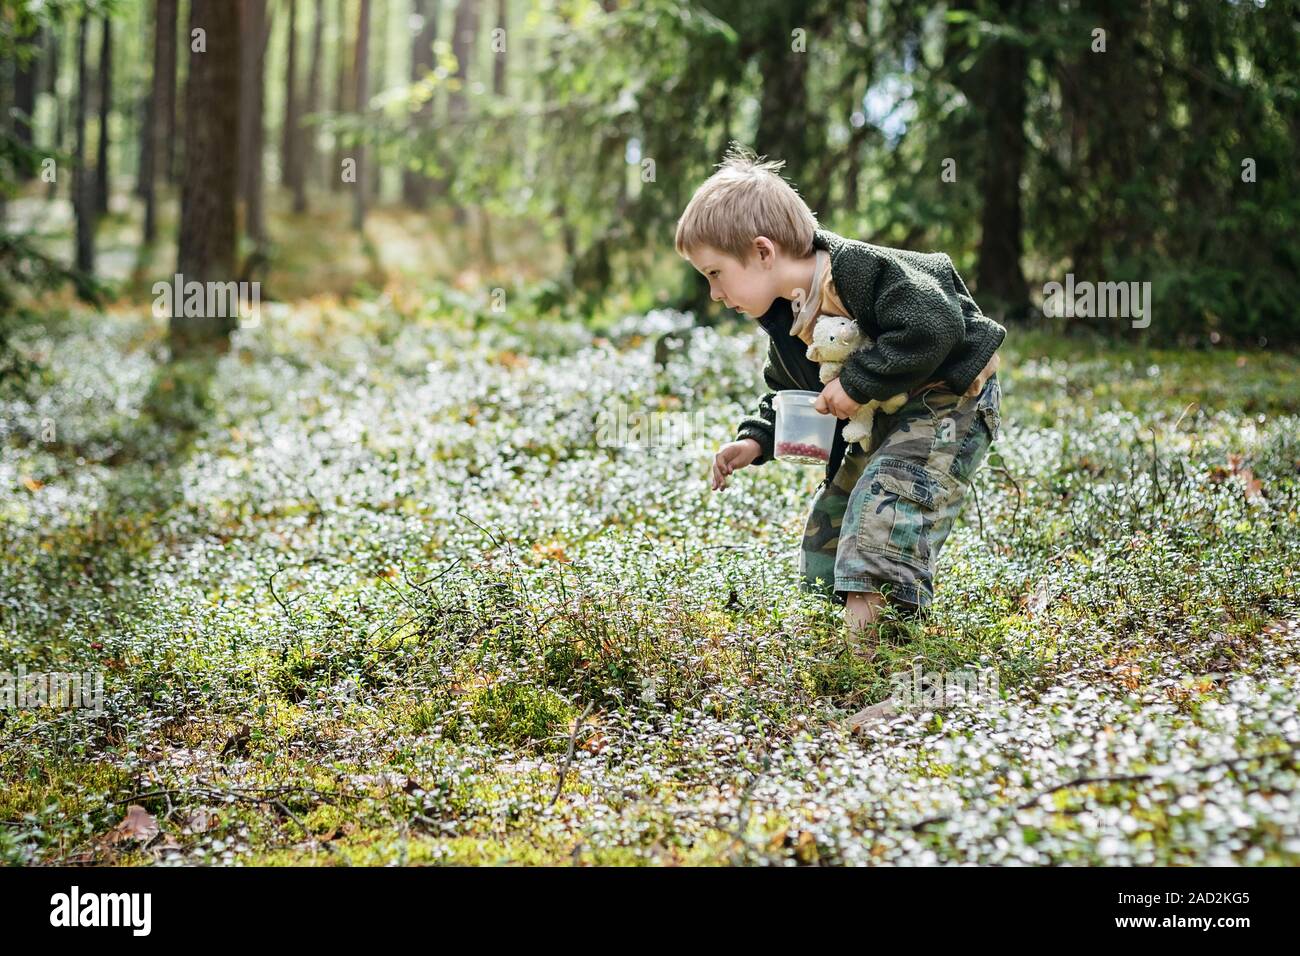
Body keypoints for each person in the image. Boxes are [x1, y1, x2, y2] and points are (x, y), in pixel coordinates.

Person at [675, 145, 1005, 729]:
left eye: (715, 275)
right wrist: (754, 440)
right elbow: (790, 393)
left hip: (949, 402)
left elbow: (936, 323)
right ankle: (860, 652)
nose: (715, 294)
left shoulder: (856, 271)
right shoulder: (785, 320)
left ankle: (888, 680)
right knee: (833, 521)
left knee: (884, 508)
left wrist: (856, 383)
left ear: (762, 252)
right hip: (890, 416)